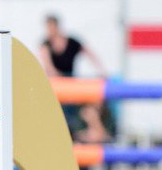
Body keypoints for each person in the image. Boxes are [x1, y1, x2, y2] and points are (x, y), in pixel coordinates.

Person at [39, 13, 109, 145]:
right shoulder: (46, 45)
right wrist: (57, 77)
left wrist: (101, 72)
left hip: (70, 83)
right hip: (57, 85)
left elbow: (90, 54)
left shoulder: (71, 42)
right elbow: (48, 66)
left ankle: (98, 133)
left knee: (91, 105)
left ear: (56, 26)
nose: (49, 30)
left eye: (51, 27)